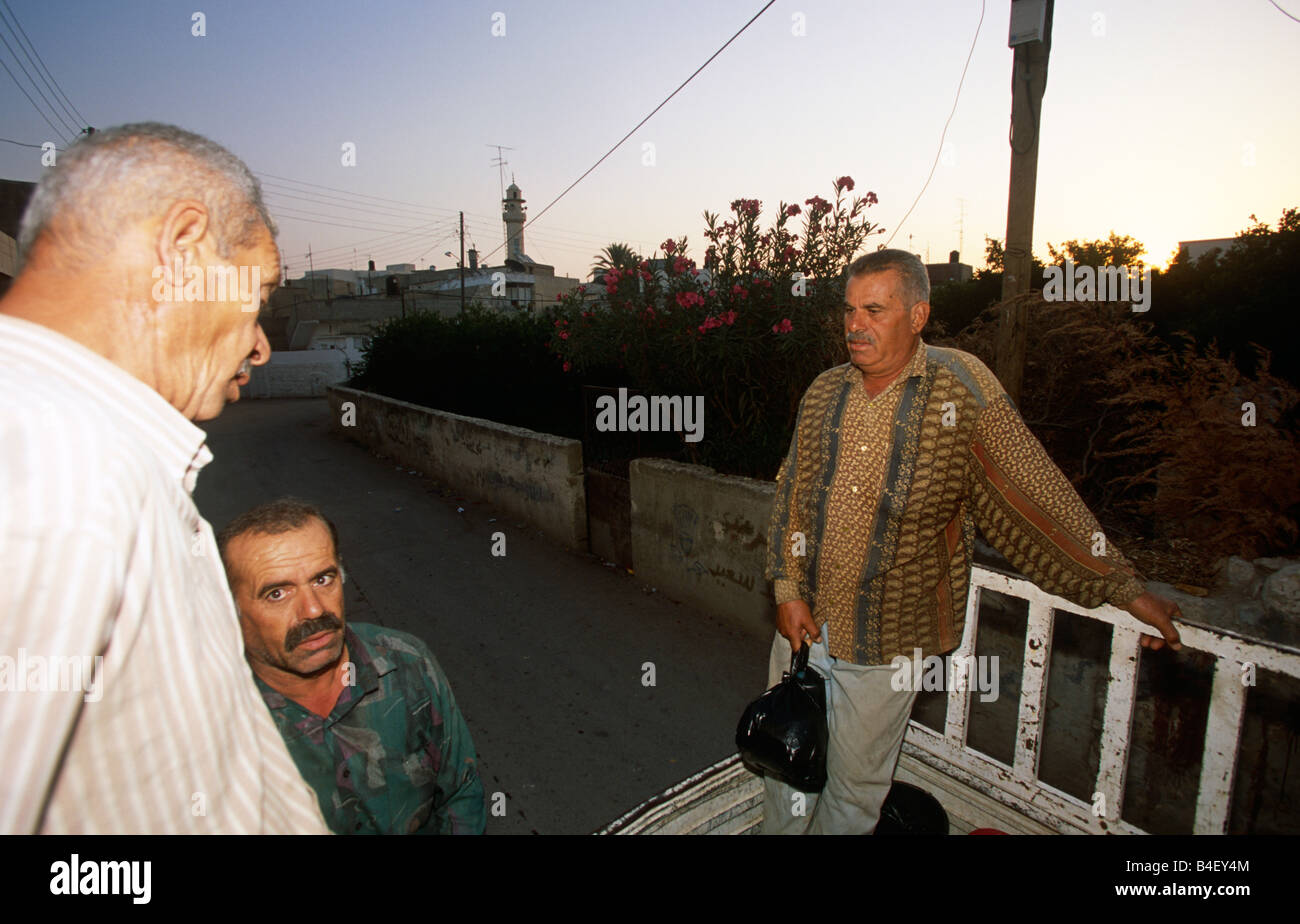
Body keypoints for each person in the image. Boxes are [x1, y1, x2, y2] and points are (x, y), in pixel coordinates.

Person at [761, 248, 1183, 834]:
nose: (855, 326)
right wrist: (788, 585)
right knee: (785, 766)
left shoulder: (959, 391)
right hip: (805, 629)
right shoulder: (825, 392)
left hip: (888, 642)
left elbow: (1034, 495)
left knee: (854, 790)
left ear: (918, 315)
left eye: (875, 310)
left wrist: (1123, 586)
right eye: (850, 310)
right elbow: (793, 495)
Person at [0, 123, 329, 833]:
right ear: (182, 251)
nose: (262, 343)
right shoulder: (47, 459)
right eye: (261, 292)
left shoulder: (94, 450)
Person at [217, 497, 487, 835]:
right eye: (277, 594)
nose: (314, 610)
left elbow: (460, 791)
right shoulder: (209, 723)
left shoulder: (406, 662)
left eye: (323, 579)